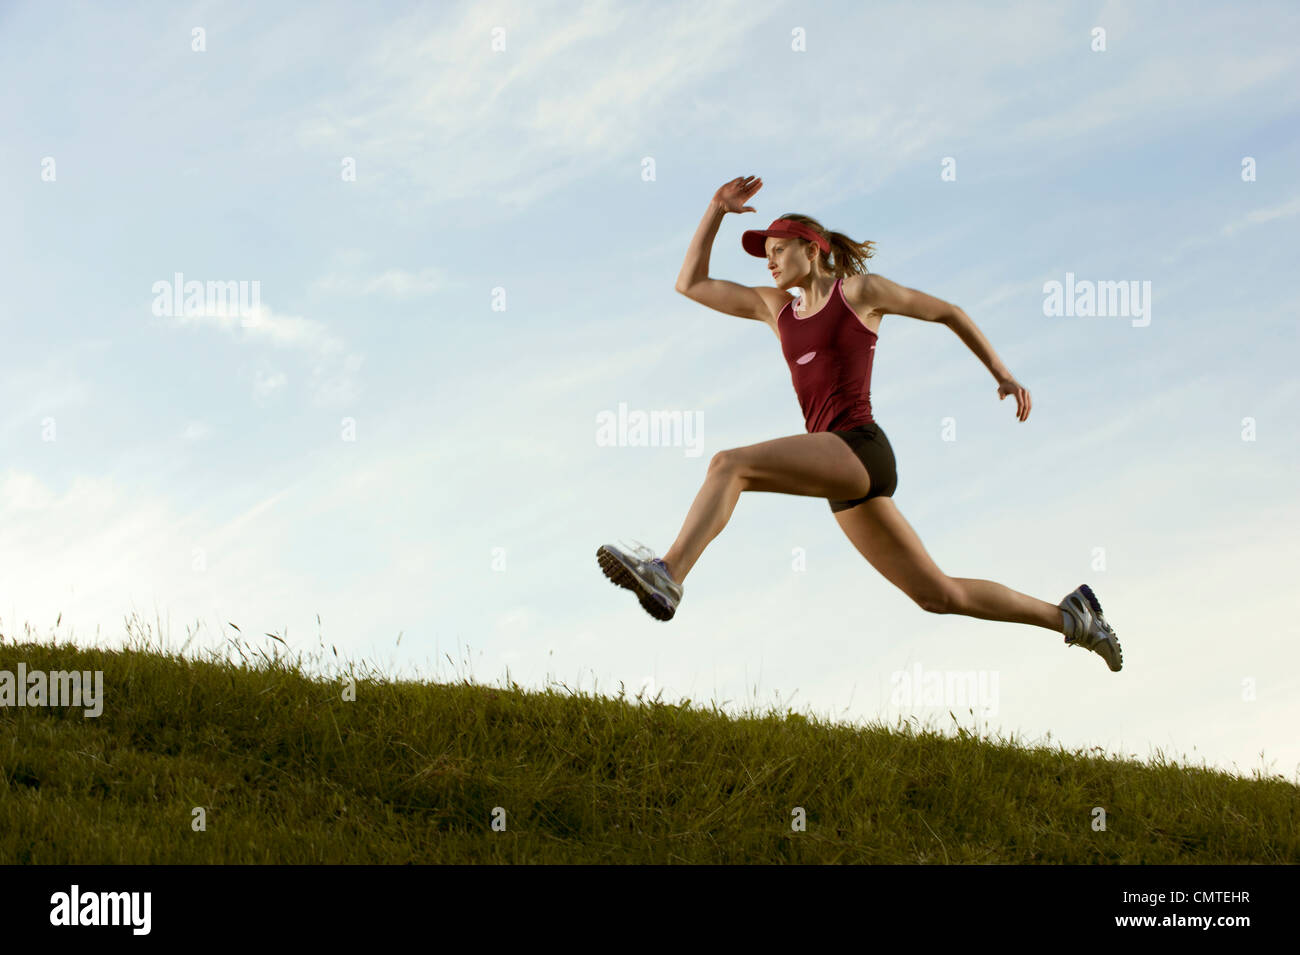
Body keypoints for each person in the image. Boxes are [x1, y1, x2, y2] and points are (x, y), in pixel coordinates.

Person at [596, 175, 1121, 672]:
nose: (770, 262)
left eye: (778, 250)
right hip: (840, 473)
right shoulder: (773, 309)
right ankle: (1073, 617)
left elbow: (948, 311)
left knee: (728, 465)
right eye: (766, 254)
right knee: (937, 594)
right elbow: (690, 283)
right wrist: (715, 209)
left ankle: (668, 574)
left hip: (859, 447)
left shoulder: (860, 294)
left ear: (813, 248)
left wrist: (1003, 375)